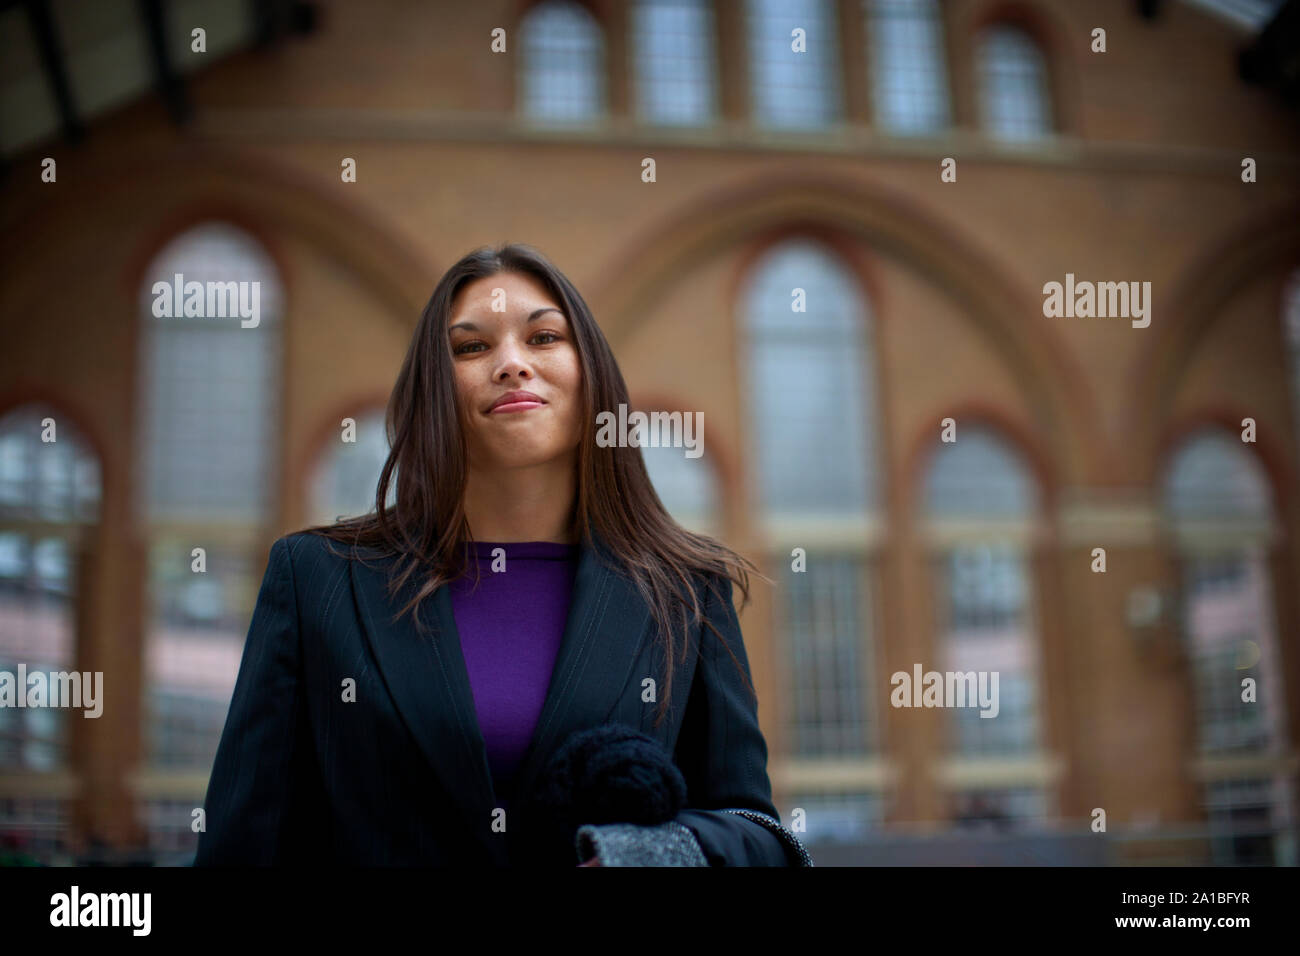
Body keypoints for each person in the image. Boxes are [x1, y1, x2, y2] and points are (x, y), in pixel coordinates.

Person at [193, 243, 812, 867]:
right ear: (433, 390)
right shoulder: (316, 579)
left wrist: (645, 853)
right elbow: (241, 845)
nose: (512, 363)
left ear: (591, 370)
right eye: (471, 347)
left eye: (544, 338)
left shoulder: (685, 589)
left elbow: (754, 829)